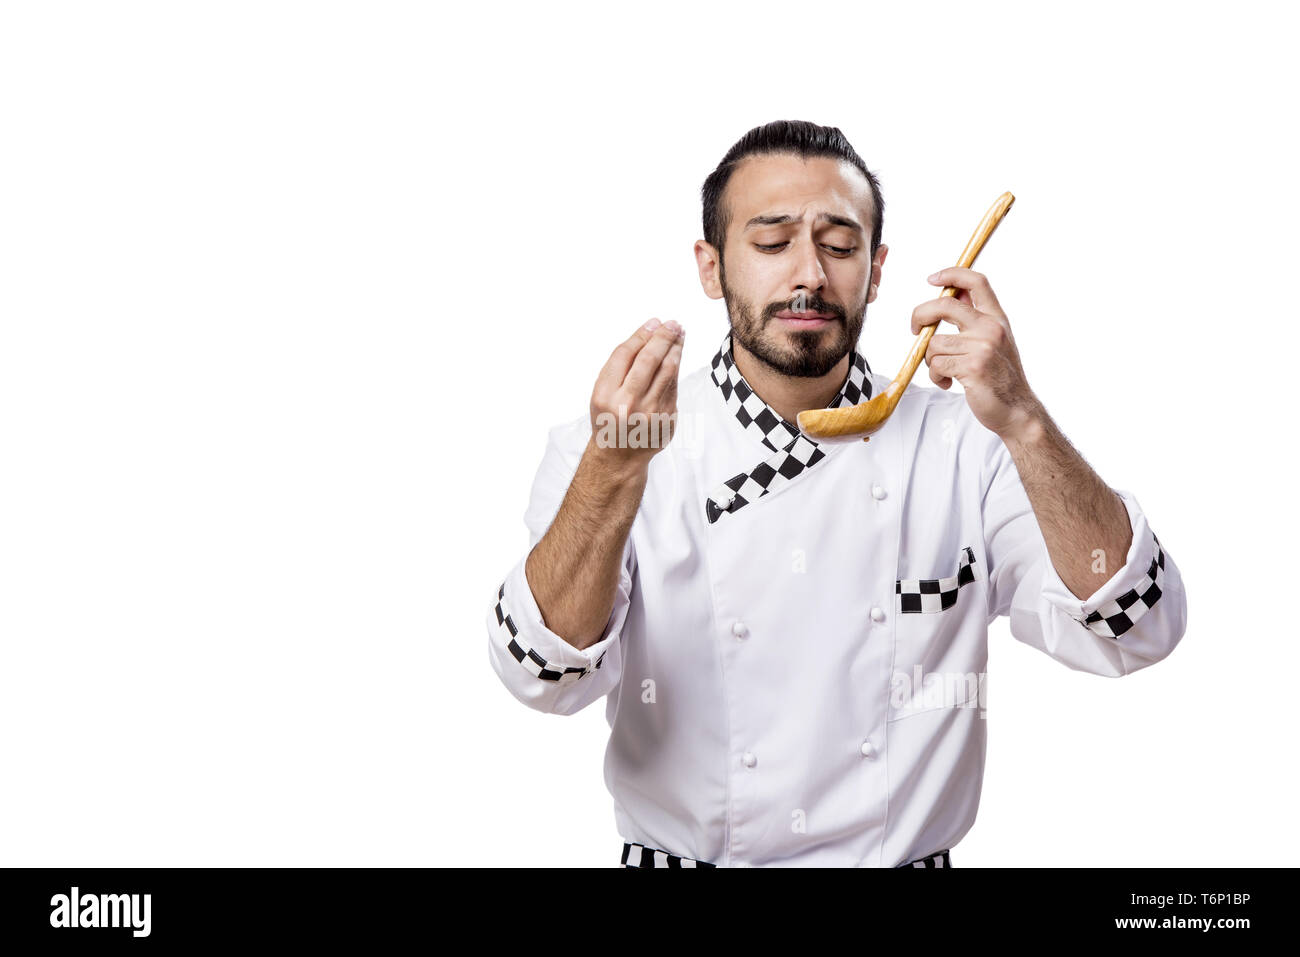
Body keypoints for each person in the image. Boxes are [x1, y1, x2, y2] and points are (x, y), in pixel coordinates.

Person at [485, 119, 1187, 868]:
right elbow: (539, 675)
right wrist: (613, 472)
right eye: (772, 241)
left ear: (877, 270)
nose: (810, 275)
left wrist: (1027, 422)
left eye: (840, 245)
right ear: (710, 265)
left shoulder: (969, 444)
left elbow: (1139, 628)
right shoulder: (615, 442)